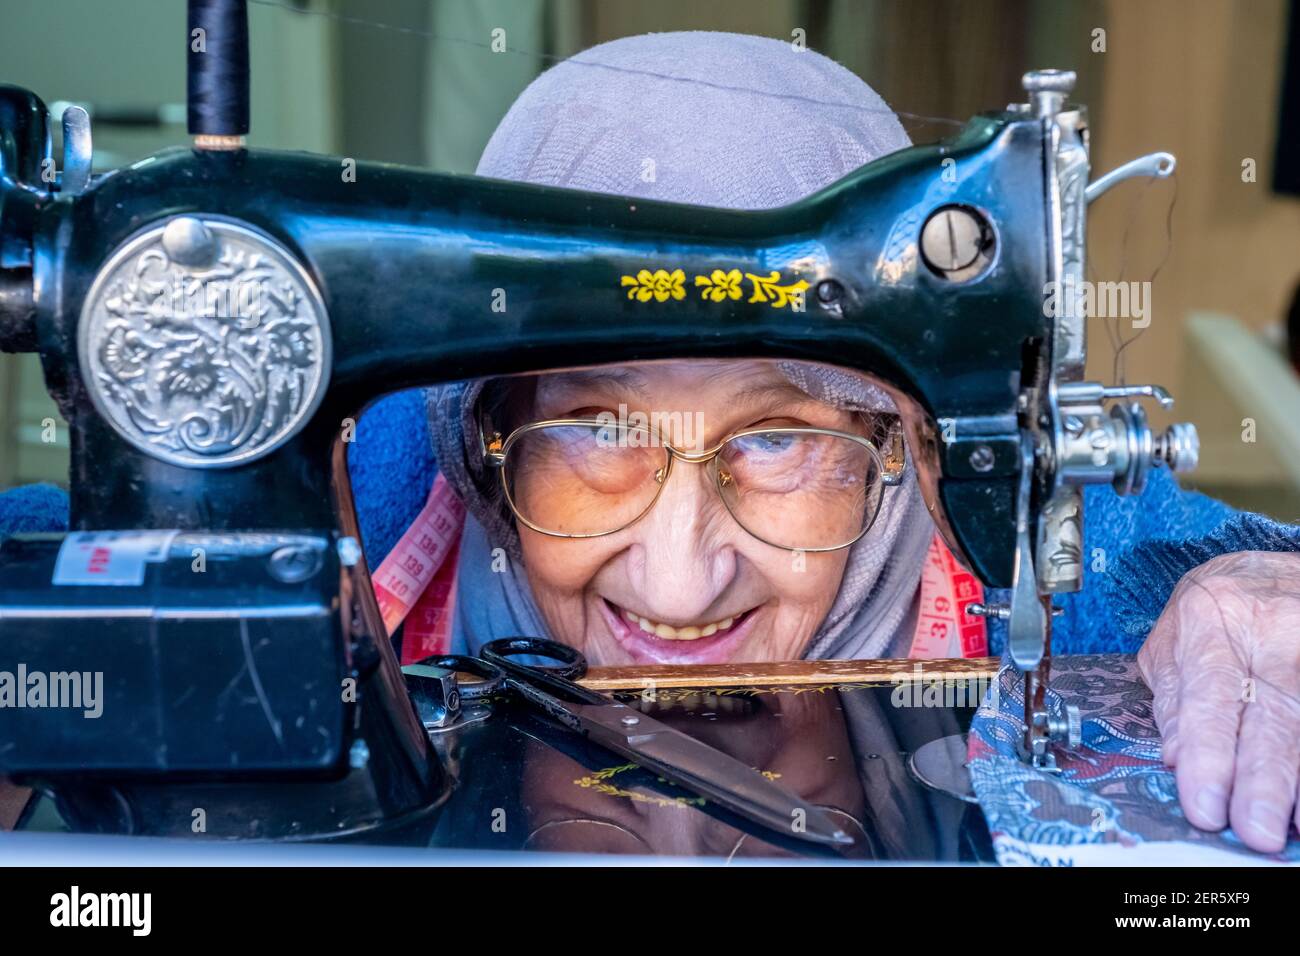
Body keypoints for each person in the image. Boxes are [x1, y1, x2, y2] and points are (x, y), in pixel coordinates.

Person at [4, 32, 1298, 855]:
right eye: (598, 430)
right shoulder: (361, 493)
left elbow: (1221, 583)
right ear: (479, 430)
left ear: (904, 429)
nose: (680, 586)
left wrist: (1250, 592)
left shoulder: (1006, 542)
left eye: (785, 440)